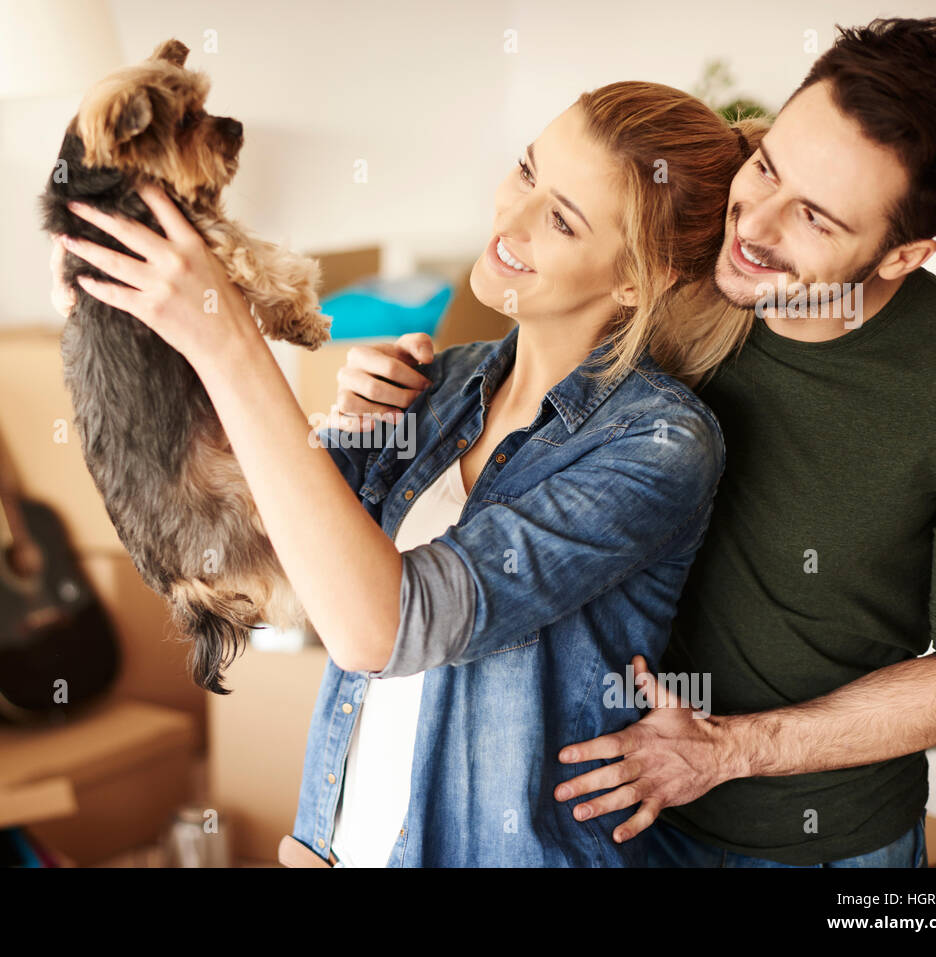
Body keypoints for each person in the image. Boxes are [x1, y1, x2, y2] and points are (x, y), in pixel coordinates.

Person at [338, 17, 936, 868]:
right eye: (767, 164)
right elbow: (520, 378)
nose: (754, 224)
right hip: (604, 818)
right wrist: (395, 388)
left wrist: (732, 748)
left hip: (821, 845)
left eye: (813, 216)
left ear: (903, 254)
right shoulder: (681, 262)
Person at [52, 80, 761, 865]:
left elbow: (382, 626)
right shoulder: (438, 385)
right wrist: (119, 324)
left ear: (637, 279)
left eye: (561, 219)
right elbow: (275, 568)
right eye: (527, 172)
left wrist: (230, 343)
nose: (511, 222)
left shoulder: (659, 444)